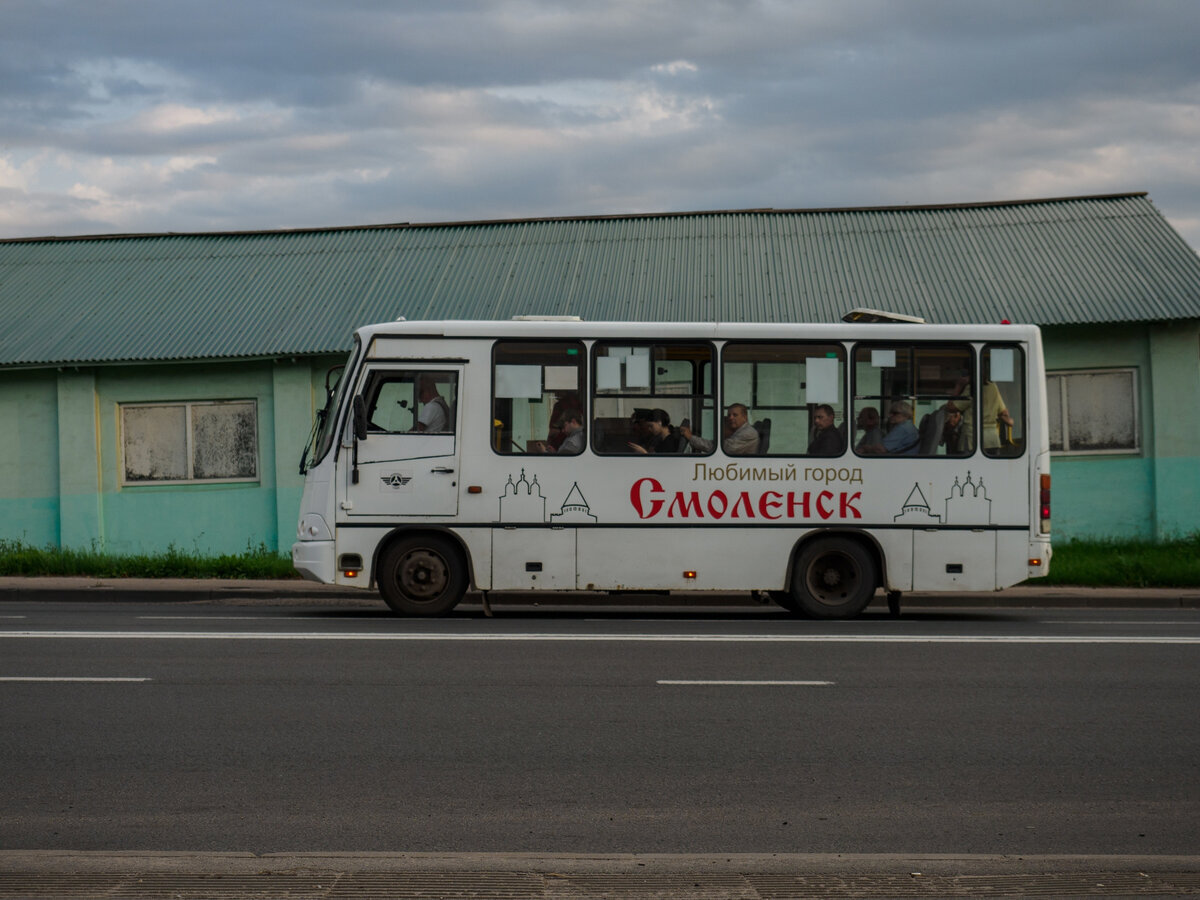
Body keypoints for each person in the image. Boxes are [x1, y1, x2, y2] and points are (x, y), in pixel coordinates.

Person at [680, 403, 759, 455]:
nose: (730, 418)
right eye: (729, 415)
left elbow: (717, 448)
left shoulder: (748, 433)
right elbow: (714, 443)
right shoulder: (739, 431)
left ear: (745, 417)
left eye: (735, 415)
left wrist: (690, 437)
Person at [982, 381, 1014, 451]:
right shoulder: (993, 388)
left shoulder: (969, 388)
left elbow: (953, 407)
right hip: (993, 439)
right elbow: (1004, 413)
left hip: (971, 438)